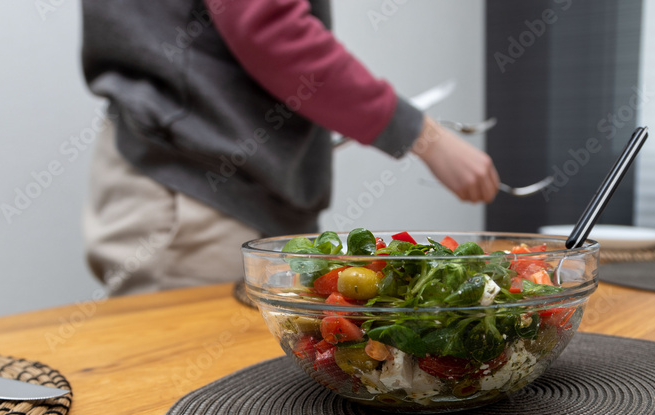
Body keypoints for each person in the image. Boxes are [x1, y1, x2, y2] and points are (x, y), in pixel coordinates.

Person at [81, 0, 501, 295]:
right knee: (179, 406)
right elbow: (269, 28)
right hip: (194, 189)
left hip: (208, 186)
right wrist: (423, 135)